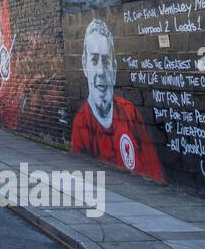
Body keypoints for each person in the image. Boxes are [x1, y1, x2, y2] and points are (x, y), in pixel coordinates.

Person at [71, 19, 165, 181]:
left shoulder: (130, 112)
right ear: (84, 65)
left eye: (106, 61)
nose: (101, 71)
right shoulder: (81, 123)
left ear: (114, 68)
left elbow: (155, 171)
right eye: (94, 60)